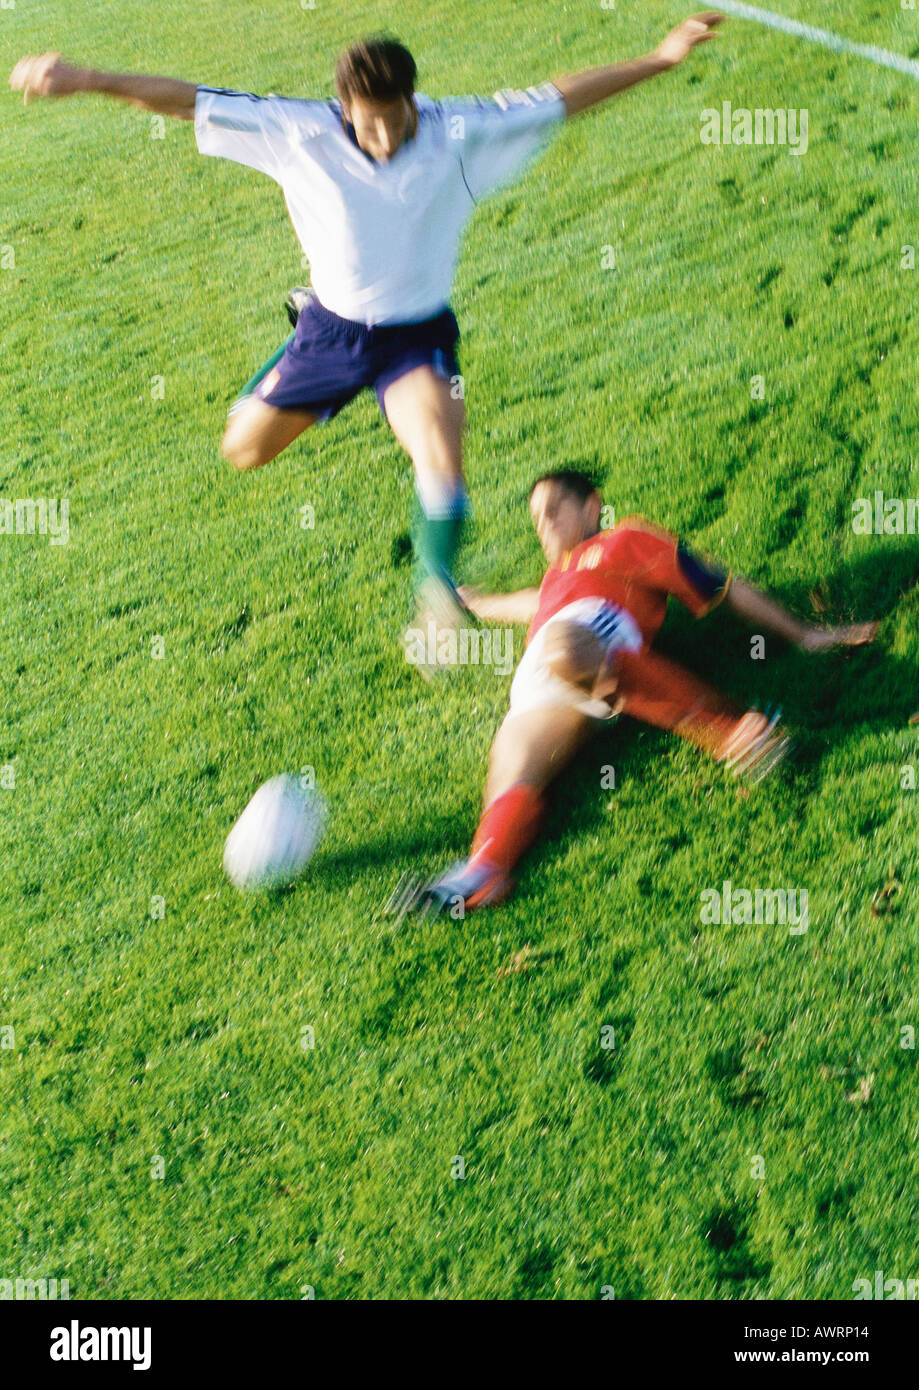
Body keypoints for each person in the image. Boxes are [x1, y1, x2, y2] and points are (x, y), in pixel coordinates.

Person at [10, 18, 724, 656]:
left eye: (394, 119)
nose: (383, 137)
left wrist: (660, 58)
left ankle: (436, 591)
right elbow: (183, 99)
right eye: (367, 123)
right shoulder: (298, 133)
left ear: (413, 99)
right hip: (330, 334)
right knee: (243, 451)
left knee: (442, 454)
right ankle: (294, 332)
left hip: (416, 340)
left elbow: (563, 95)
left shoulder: (458, 133)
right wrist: (86, 80)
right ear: (343, 109)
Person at [412, 468, 878, 913]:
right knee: (509, 769)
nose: (544, 523)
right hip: (544, 680)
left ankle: (735, 731)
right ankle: (485, 873)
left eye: (554, 508)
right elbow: (534, 603)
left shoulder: (627, 540)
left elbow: (723, 587)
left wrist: (804, 635)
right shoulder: (557, 577)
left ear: (592, 506)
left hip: (593, 645)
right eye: (536, 517)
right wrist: (475, 603)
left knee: (562, 646)